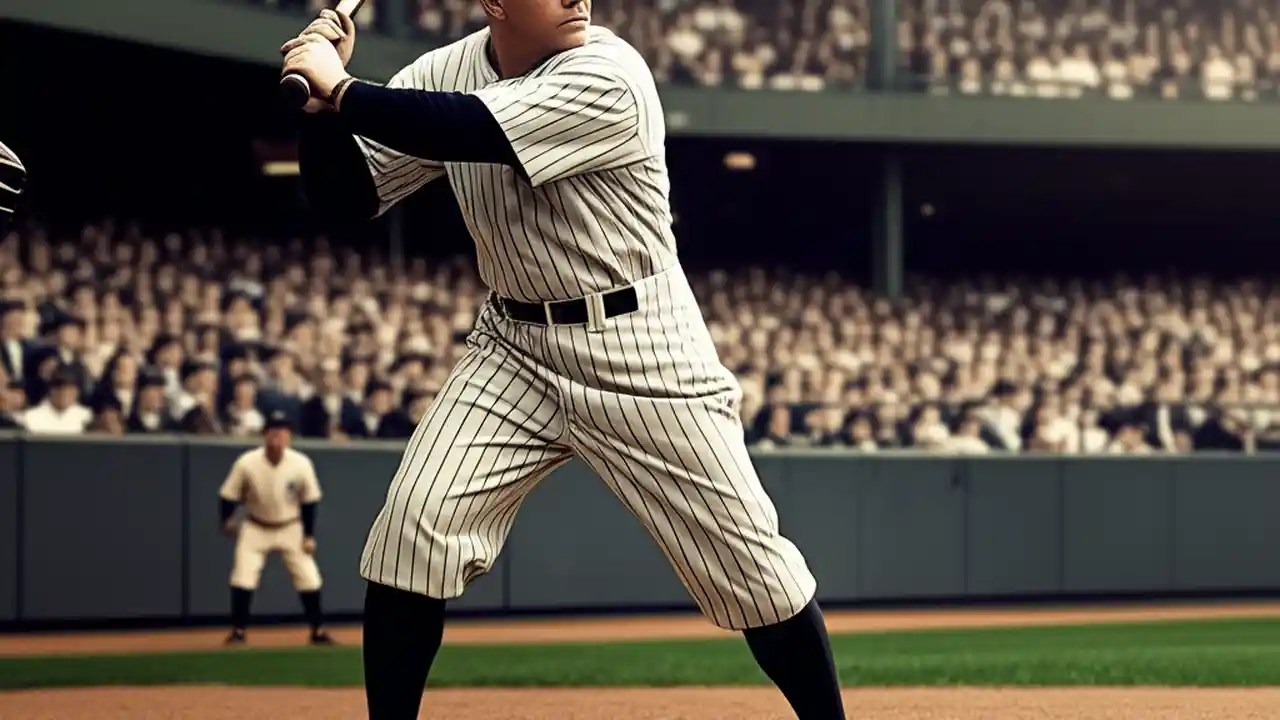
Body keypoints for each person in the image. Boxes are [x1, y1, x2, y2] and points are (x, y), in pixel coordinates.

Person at [281, 2, 845, 718]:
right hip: (512, 346)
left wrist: (345, 88)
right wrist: (323, 112)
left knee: (751, 571)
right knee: (411, 534)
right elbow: (344, 199)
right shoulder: (445, 68)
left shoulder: (610, 72)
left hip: (640, 346)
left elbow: (473, 128)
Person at [218, 410, 334, 646]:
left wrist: (309, 535)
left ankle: (318, 631)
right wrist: (226, 519)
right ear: (264, 435)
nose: (278, 435)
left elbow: (310, 500)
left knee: (309, 576)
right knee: (243, 575)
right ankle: (238, 631)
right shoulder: (247, 462)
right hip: (256, 525)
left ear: (289, 436)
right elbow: (228, 494)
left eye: (283, 431)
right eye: (273, 430)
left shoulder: (300, 463)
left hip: (290, 525)